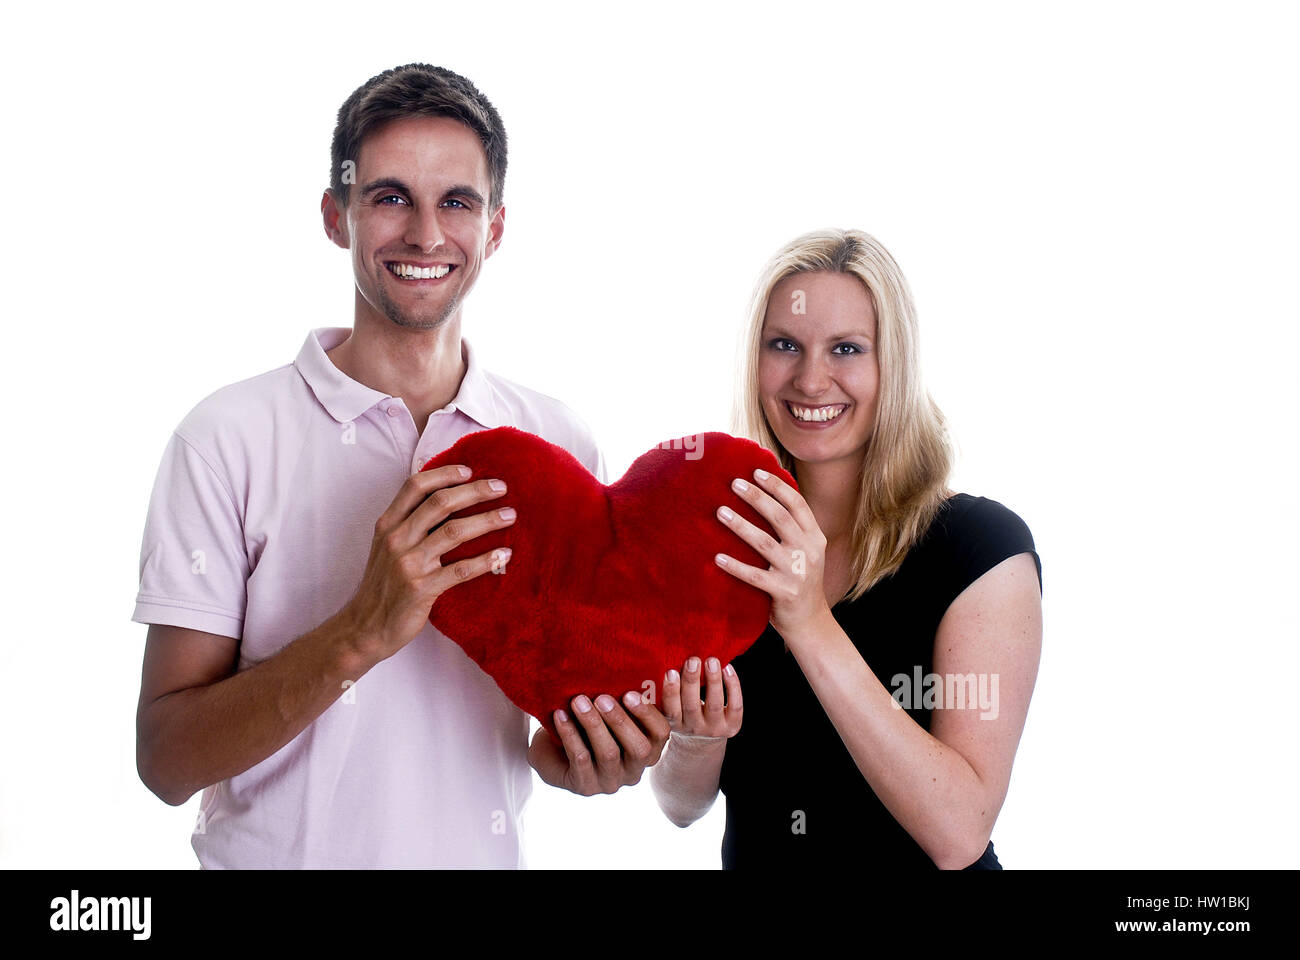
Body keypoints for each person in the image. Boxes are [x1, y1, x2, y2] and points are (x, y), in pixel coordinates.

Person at [131, 63, 669, 869]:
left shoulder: (559, 442)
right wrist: (361, 631)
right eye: (390, 197)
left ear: (494, 229)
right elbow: (166, 761)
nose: (425, 234)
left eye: (457, 201)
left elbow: (551, 706)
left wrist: (584, 759)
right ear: (334, 215)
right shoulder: (224, 438)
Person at [651, 229, 1042, 869]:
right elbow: (680, 806)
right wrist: (694, 739)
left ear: (894, 364)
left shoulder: (983, 550)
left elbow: (958, 833)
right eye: (784, 345)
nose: (810, 378)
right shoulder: (726, 545)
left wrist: (808, 620)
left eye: (846, 349)